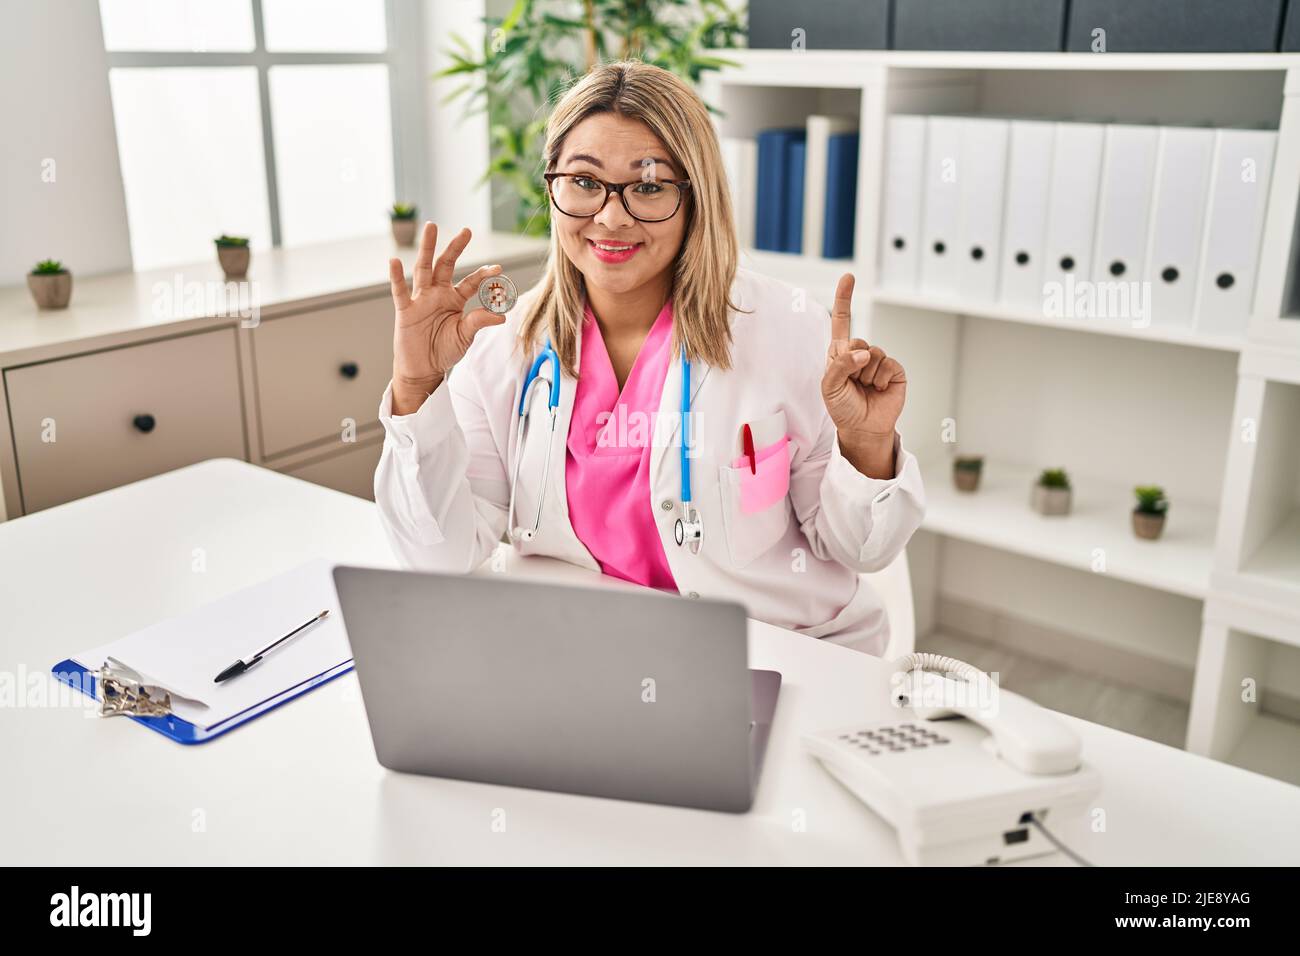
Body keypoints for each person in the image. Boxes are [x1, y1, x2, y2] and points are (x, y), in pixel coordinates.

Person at [375, 60, 925, 655]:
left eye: (649, 186)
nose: (611, 217)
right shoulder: (504, 348)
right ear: (552, 187)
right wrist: (416, 385)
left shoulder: (786, 331)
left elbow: (861, 550)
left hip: (775, 654)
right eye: (584, 182)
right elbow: (440, 554)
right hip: (589, 654)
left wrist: (866, 447)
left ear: (696, 199)